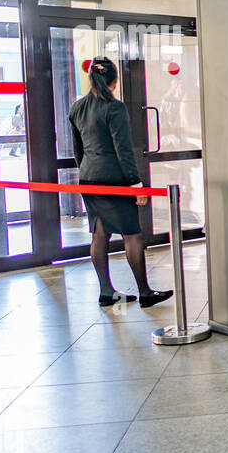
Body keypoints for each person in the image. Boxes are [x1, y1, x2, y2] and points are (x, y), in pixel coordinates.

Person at [69, 57, 172, 309]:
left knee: (99, 233)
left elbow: (77, 150)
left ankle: (106, 292)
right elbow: (123, 149)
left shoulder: (77, 108)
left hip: (88, 177)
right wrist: (135, 184)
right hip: (113, 178)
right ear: (114, 82)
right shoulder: (114, 108)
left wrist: (87, 171)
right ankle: (145, 292)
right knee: (132, 234)